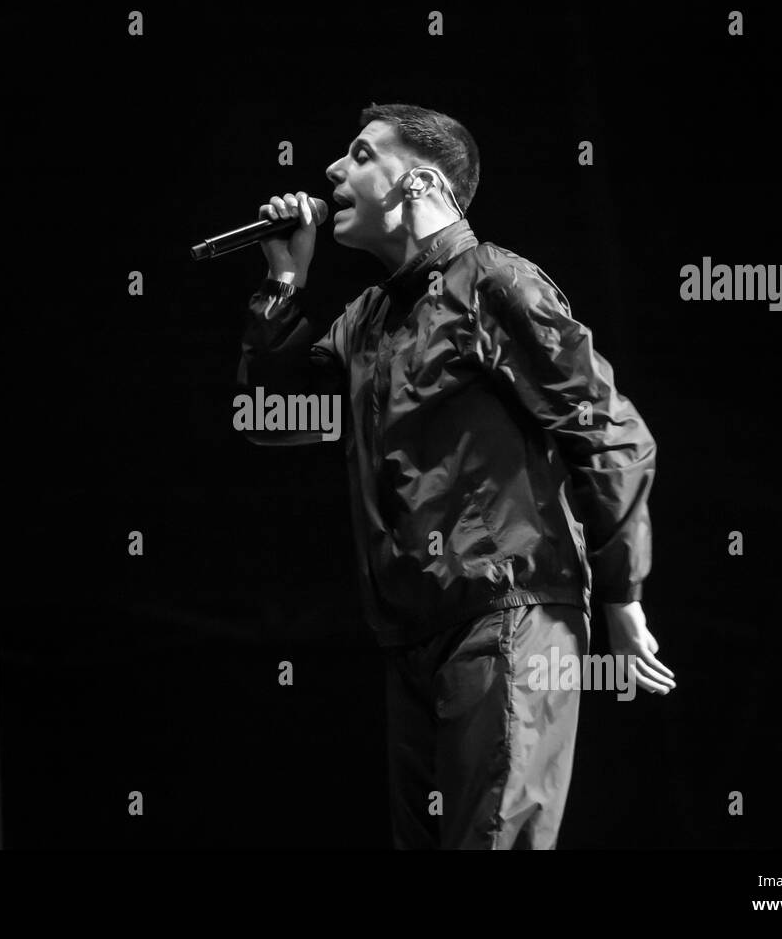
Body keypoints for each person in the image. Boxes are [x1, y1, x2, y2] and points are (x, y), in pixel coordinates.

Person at [236, 102, 675, 849]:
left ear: (420, 183)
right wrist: (284, 284)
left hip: (509, 611)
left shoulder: (495, 283)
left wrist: (623, 595)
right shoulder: (367, 318)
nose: (334, 172)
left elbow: (613, 432)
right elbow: (273, 418)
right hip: (412, 632)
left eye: (361, 154)